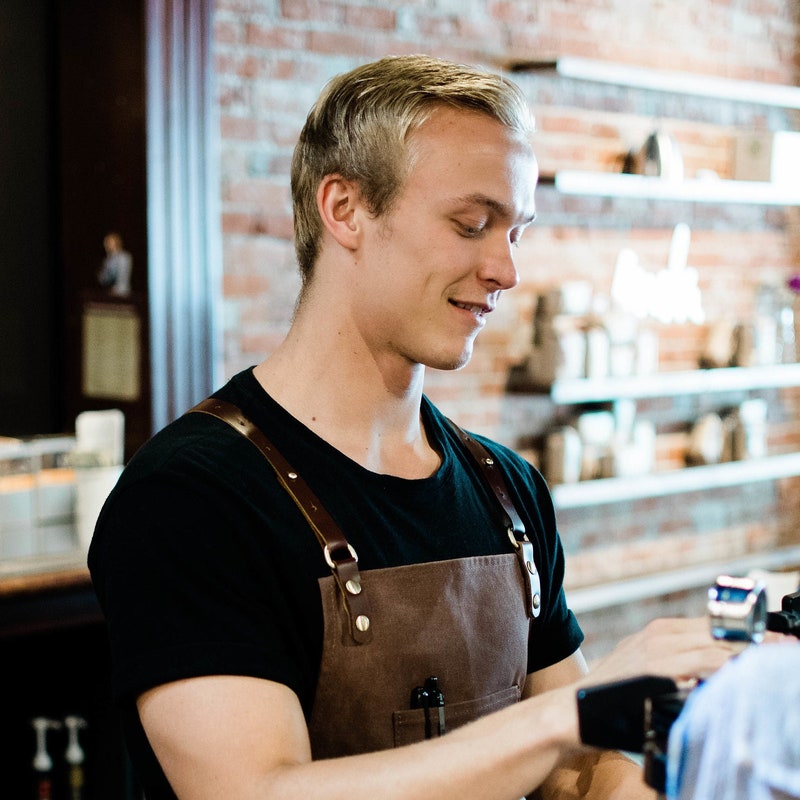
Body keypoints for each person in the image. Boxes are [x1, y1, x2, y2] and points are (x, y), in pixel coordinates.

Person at [88, 55, 734, 800]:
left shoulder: (506, 491)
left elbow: (578, 776)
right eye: (471, 224)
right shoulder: (192, 497)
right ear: (345, 210)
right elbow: (255, 792)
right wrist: (564, 718)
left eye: (516, 231)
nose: (506, 269)